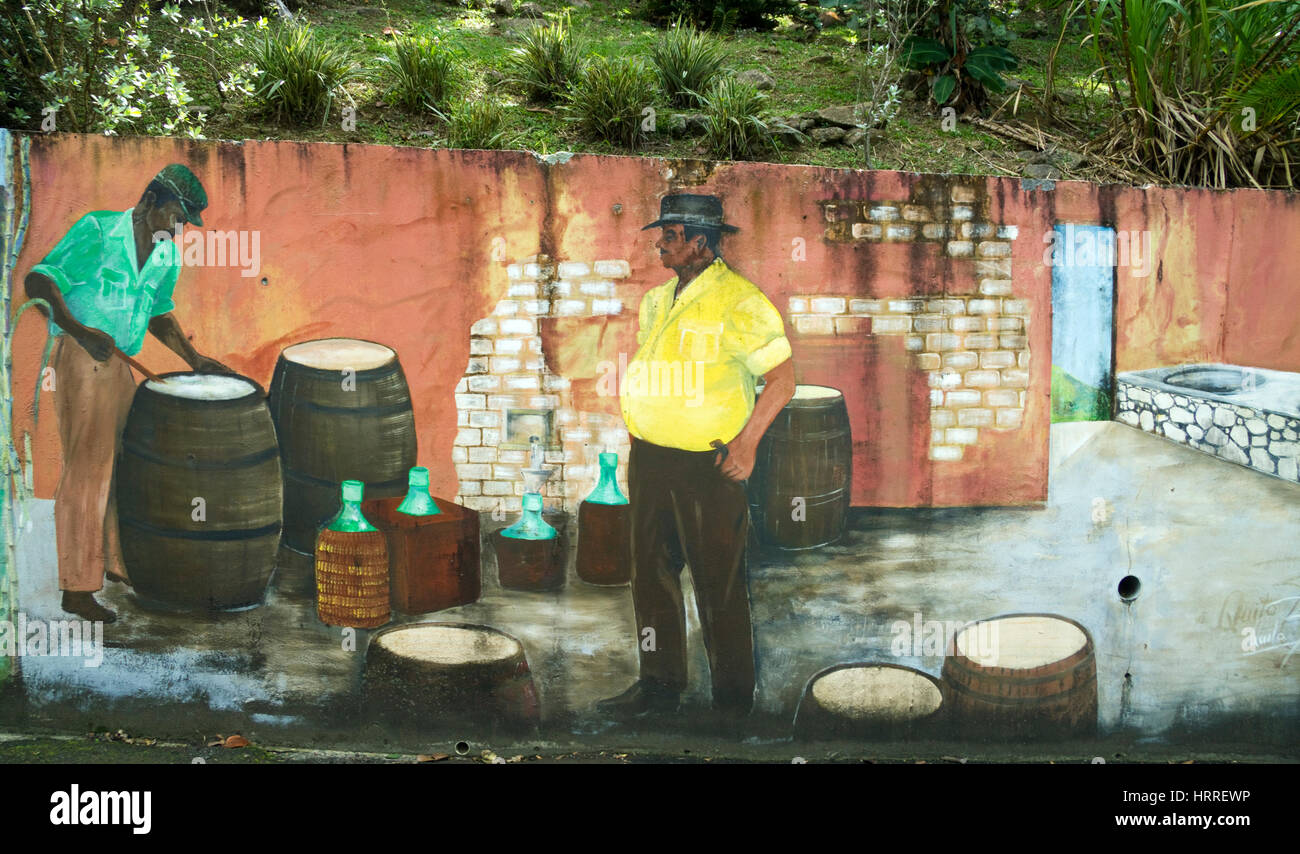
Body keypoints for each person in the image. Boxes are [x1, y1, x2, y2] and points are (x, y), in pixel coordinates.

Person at [599, 193, 796, 719]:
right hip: (651, 459)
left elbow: (781, 381)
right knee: (649, 574)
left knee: (717, 583)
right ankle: (659, 686)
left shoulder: (742, 301)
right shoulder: (658, 300)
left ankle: (732, 702)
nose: (659, 243)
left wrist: (747, 444)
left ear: (701, 243)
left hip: (708, 466)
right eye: (662, 234)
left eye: (671, 235)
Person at [24, 164, 231, 623]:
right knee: (88, 469)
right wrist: (79, 330)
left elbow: (158, 315)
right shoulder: (98, 230)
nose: (178, 231)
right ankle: (76, 588)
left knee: (122, 462)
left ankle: (115, 563)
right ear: (148, 202)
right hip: (82, 358)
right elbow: (39, 281)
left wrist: (194, 360)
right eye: (176, 218)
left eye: (185, 224)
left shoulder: (165, 257)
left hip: (119, 367)